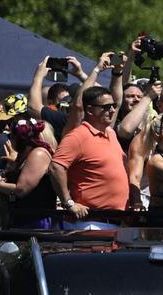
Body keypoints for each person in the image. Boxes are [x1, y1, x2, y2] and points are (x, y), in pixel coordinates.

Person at [49, 86, 129, 221]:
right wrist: (69, 203)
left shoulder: (110, 133)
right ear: (90, 110)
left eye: (114, 106)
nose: (112, 110)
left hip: (116, 221)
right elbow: (55, 167)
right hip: (91, 222)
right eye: (106, 107)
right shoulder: (77, 136)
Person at [0, 116, 60, 229]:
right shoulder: (25, 155)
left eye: (11, 137)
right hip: (22, 218)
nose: (9, 140)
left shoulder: (39, 154)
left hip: (36, 221)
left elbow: (21, 189)